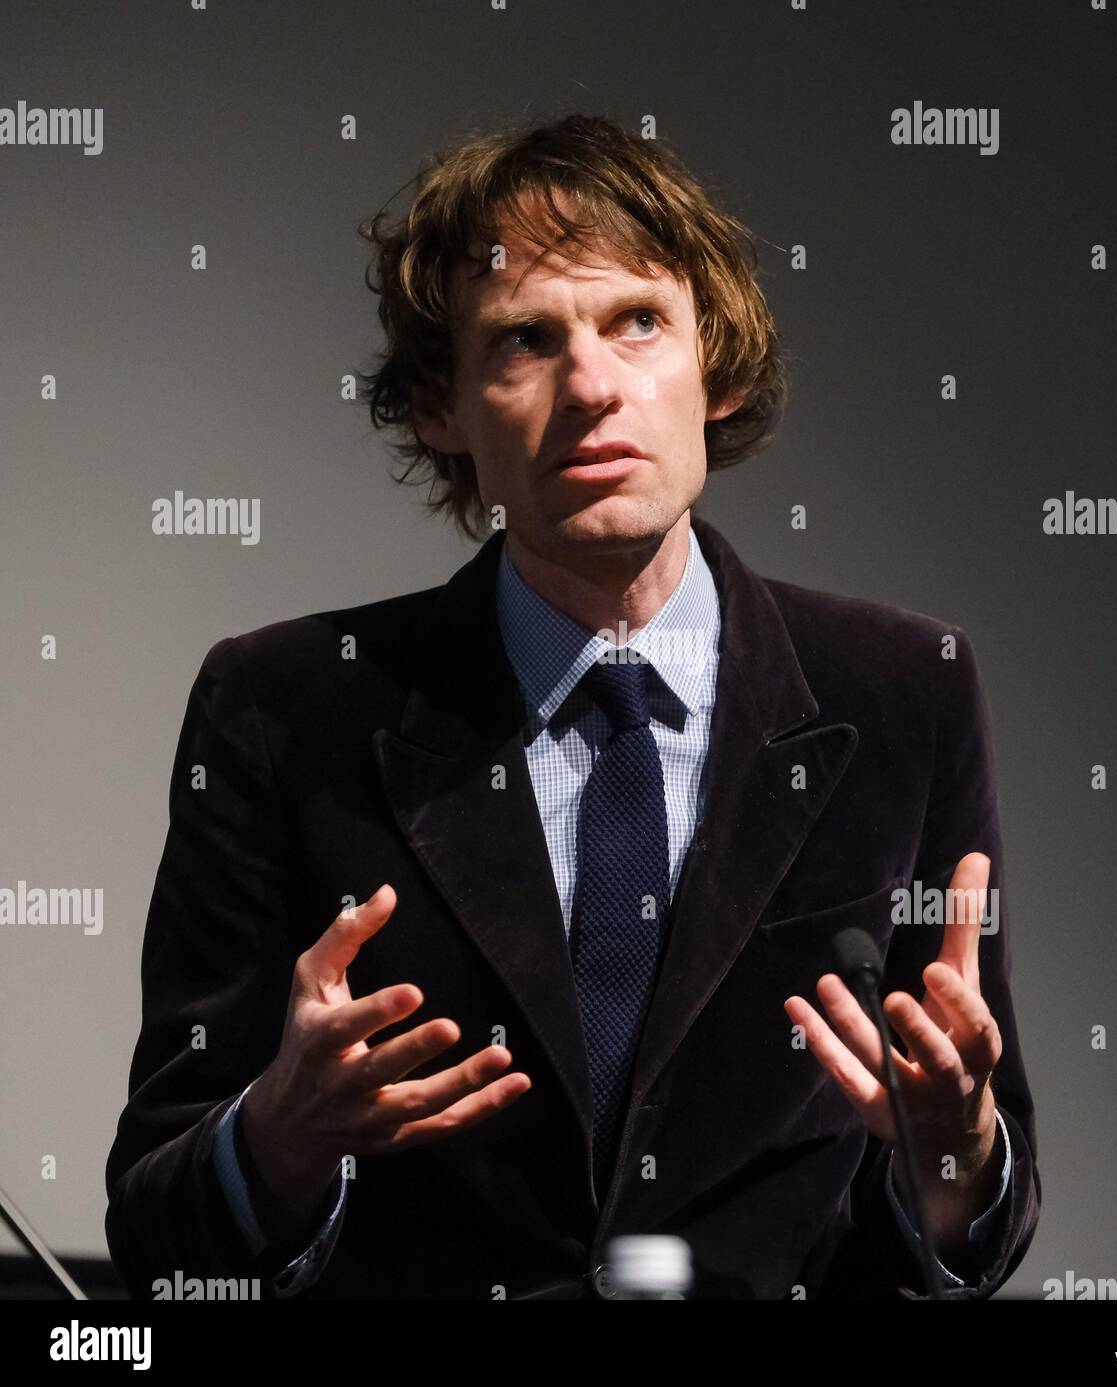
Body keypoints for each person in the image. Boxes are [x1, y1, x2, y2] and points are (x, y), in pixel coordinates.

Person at [104, 112, 1040, 1300]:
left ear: (722, 366)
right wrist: (280, 1137)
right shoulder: (284, 708)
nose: (592, 385)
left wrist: (951, 1144)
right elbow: (157, 1233)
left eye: (637, 322)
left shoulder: (905, 687)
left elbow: (973, 1214)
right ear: (441, 408)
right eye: (524, 342)